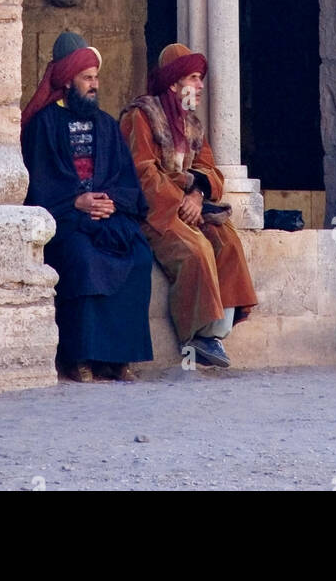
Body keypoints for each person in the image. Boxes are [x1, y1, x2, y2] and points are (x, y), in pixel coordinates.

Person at [20, 31, 153, 383]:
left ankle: (117, 358)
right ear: (67, 81)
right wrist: (75, 201)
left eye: (96, 77)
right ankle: (80, 357)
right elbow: (38, 184)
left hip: (106, 219)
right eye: (87, 78)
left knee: (138, 256)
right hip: (66, 220)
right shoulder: (43, 126)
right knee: (83, 257)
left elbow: (127, 181)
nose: (94, 85)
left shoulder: (107, 125)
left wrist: (111, 202)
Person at [119, 43, 257, 368]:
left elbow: (211, 170)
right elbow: (142, 173)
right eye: (194, 78)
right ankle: (196, 336)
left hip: (188, 206)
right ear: (173, 83)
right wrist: (180, 201)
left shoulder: (192, 124)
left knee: (227, 241)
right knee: (195, 248)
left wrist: (197, 196)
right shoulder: (141, 116)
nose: (200, 86)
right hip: (155, 212)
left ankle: (215, 334)